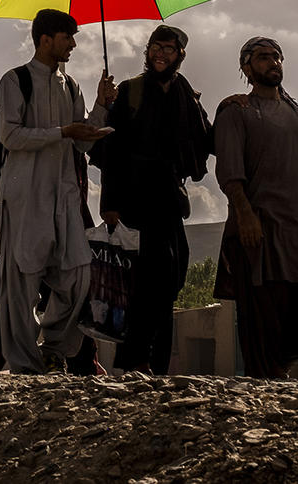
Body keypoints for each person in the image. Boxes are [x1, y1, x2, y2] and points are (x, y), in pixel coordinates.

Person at [0, 9, 114, 374]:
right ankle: (24, 364)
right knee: (23, 282)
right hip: (25, 194)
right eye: (67, 37)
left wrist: (101, 108)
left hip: (63, 195)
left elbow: (81, 143)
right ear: (45, 39)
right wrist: (62, 132)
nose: (74, 44)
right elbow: (10, 135)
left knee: (79, 275)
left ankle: (54, 347)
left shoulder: (72, 85)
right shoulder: (16, 81)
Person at [92, 25, 213, 374]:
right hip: (133, 202)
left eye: (169, 49)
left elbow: (204, 141)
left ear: (180, 56)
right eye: (156, 47)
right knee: (147, 282)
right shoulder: (130, 92)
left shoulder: (186, 93)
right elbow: (109, 150)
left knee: (172, 278)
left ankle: (154, 364)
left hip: (170, 202)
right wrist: (110, 205)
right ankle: (136, 362)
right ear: (147, 51)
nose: (161, 54)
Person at [212, 37, 298, 377]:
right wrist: (244, 214)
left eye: (277, 57)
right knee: (264, 315)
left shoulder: (297, 112)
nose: (273, 62)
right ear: (246, 67)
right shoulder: (236, 110)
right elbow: (230, 172)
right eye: (263, 58)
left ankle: (281, 369)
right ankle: (267, 384)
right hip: (261, 229)